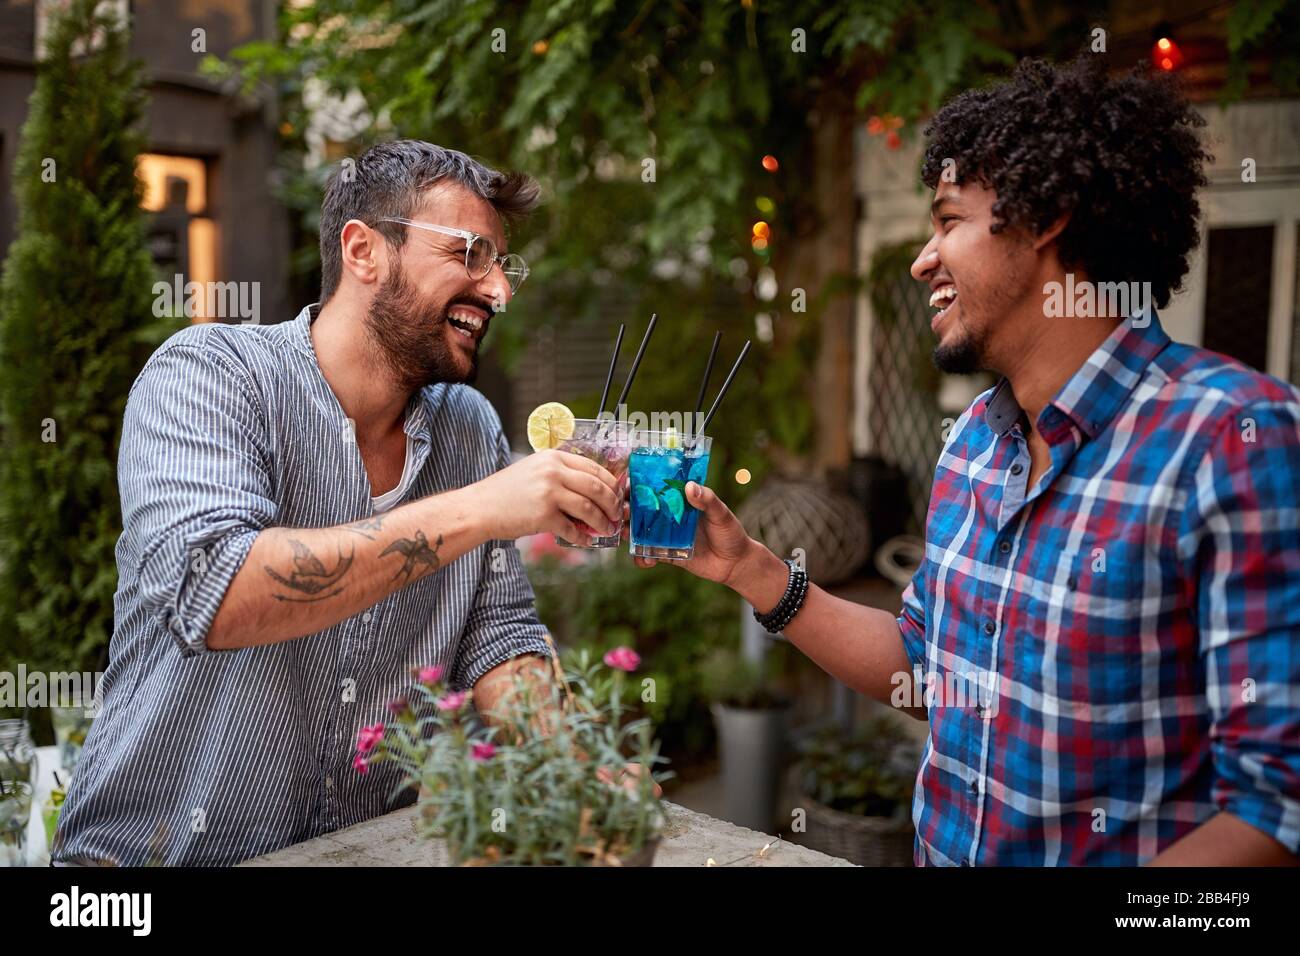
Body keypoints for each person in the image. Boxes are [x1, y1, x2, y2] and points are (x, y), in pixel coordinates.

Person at [636, 57, 1300, 866]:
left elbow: (1275, 806)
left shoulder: (1234, 436)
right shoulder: (976, 444)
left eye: (948, 221)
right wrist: (753, 572)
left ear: (1047, 216)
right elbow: (928, 670)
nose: (923, 259)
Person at [55, 141, 626, 866]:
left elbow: (496, 636)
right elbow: (217, 590)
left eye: (502, 265)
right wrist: (484, 507)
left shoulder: (468, 427)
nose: (499, 291)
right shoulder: (209, 377)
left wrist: (573, 765)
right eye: (470, 254)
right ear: (364, 251)